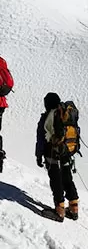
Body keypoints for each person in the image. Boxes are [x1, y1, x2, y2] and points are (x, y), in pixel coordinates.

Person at [36, 93, 80, 222]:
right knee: (67, 178)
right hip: (67, 151)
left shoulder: (48, 117)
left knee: (56, 179)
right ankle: (74, 209)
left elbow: (41, 138)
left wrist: (39, 155)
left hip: (53, 152)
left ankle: (59, 210)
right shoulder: (66, 115)